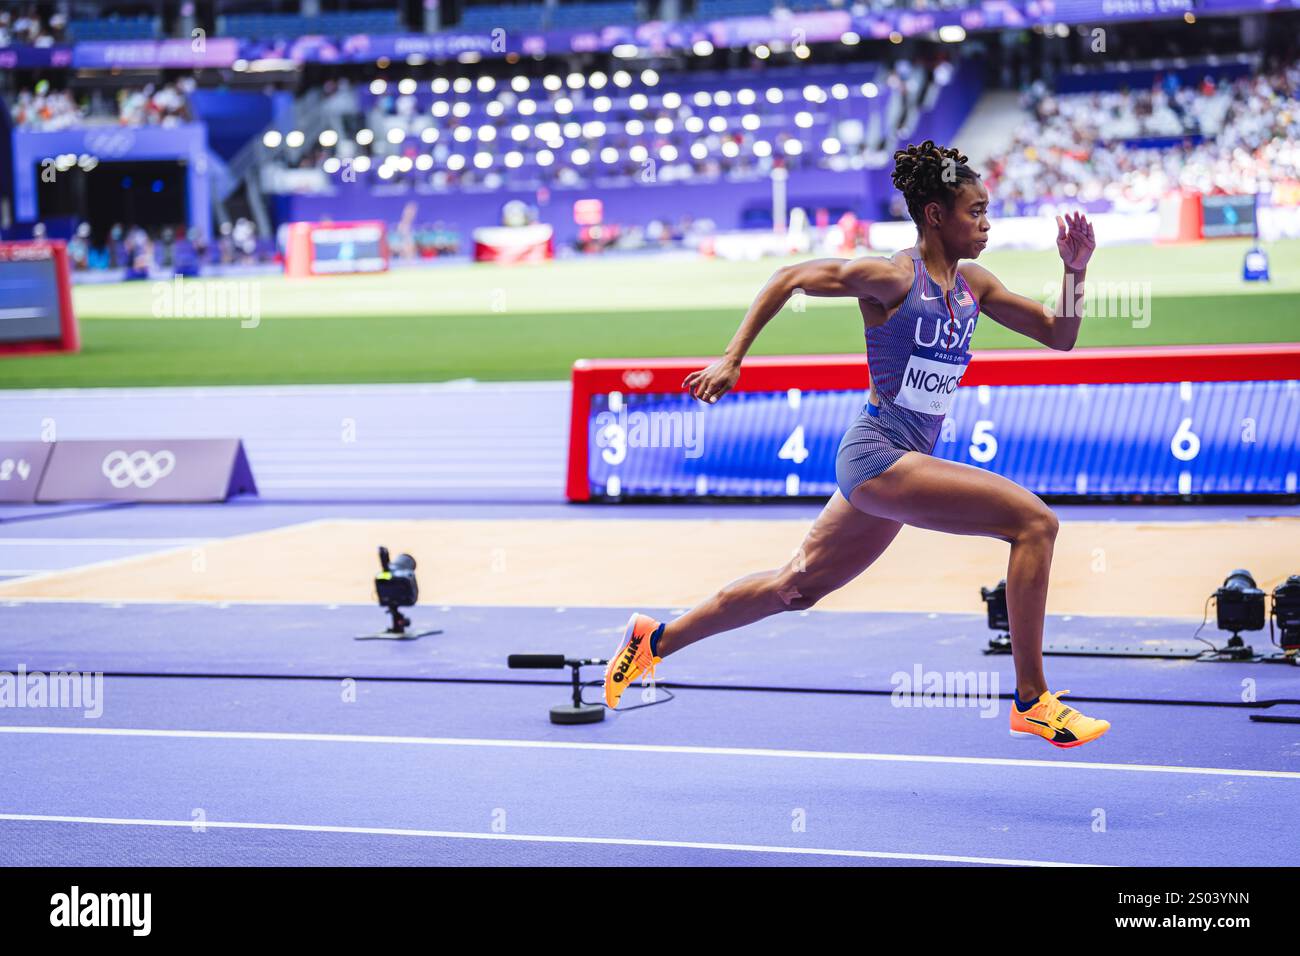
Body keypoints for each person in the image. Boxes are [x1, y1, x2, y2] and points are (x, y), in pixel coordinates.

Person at [603, 140, 1110, 749]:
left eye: (987, 210)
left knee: (795, 587)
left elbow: (1061, 336)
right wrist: (732, 359)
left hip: (898, 465)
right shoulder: (892, 277)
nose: (986, 222)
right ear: (934, 216)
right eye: (974, 211)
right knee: (1035, 524)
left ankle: (654, 641)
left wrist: (1074, 271)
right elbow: (788, 277)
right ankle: (1033, 701)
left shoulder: (975, 284)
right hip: (879, 458)